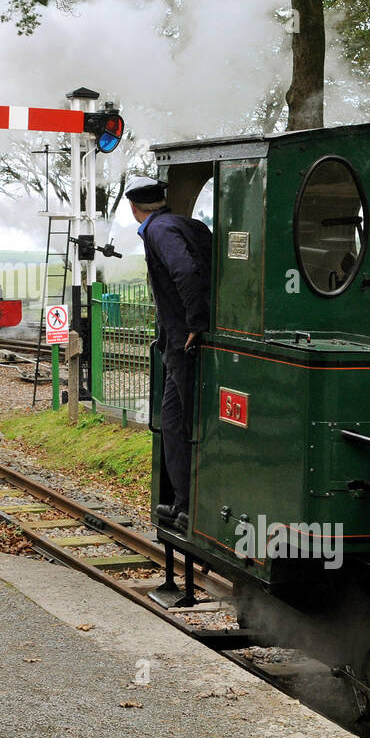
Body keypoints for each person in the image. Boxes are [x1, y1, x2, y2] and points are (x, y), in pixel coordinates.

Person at [126, 176, 213, 533]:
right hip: (179, 340)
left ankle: (195, 505)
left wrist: (195, 321)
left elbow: (186, 271)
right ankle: (182, 502)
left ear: (134, 208)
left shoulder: (159, 231)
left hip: (183, 340)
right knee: (173, 421)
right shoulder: (185, 224)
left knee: (189, 420)